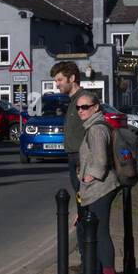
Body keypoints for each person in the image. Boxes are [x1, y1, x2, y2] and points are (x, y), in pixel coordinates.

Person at [72, 89, 121, 274]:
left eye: (85, 107)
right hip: (95, 189)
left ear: (96, 107)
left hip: (101, 188)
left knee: (101, 232)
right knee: (97, 231)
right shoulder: (93, 126)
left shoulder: (97, 129)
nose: (80, 111)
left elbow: (100, 162)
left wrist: (88, 176)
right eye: (78, 107)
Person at [50, 60, 84, 197]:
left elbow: (95, 131)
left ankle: (84, 216)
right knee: (79, 194)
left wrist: (85, 161)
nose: (57, 84)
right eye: (56, 80)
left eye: (60, 80)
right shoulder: (72, 101)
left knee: (84, 194)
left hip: (82, 158)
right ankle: (81, 215)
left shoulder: (84, 100)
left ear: (72, 78)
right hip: (74, 157)